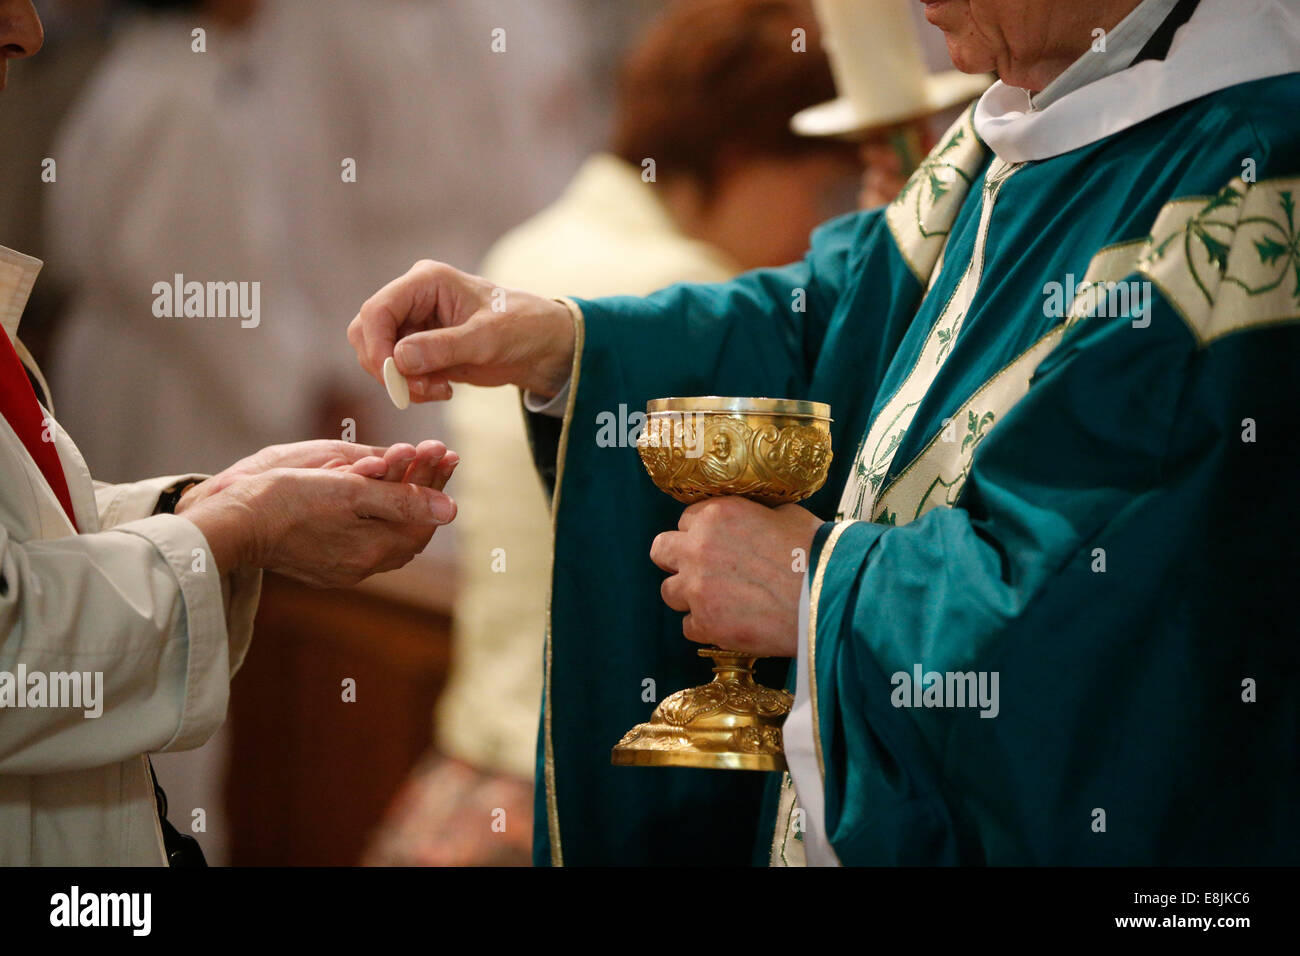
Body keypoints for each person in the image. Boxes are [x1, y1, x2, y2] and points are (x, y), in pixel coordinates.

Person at [351, 0, 1300, 866]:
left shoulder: (1247, 183)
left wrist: (816, 587)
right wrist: (565, 339)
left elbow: (1130, 614)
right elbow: (828, 319)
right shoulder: (1030, 121)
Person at [365, 0, 861, 867]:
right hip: (579, 791)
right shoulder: (685, 295)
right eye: (821, 191)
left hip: (473, 767)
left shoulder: (533, 247)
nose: (819, 234)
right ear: (742, 158)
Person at [0, 0, 459, 866]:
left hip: (162, 375)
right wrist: (254, 494)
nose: (27, 27)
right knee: (170, 747)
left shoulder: (172, 74)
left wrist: (209, 502)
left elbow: (32, 546)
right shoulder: (179, 91)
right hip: (177, 376)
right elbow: (208, 283)